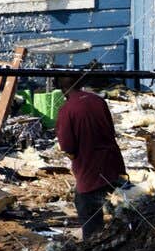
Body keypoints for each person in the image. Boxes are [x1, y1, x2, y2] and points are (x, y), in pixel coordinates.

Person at [53, 75, 126, 238]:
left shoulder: (67, 110)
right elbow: (111, 132)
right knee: (122, 214)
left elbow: (67, 147)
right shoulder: (99, 101)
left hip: (90, 175)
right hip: (114, 167)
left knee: (90, 220)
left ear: (63, 90)